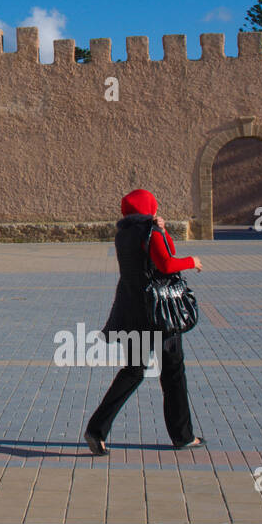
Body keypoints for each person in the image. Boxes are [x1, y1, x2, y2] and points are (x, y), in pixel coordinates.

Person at [84, 189, 206, 455]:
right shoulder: (151, 232)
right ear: (150, 208)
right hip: (159, 314)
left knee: (134, 371)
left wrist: (161, 231)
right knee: (173, 372)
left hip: (133, 312)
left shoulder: (123, 234)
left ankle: (96, 429)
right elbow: (167, 263)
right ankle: (183, 435)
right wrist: (192, 261)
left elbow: (155, 256)